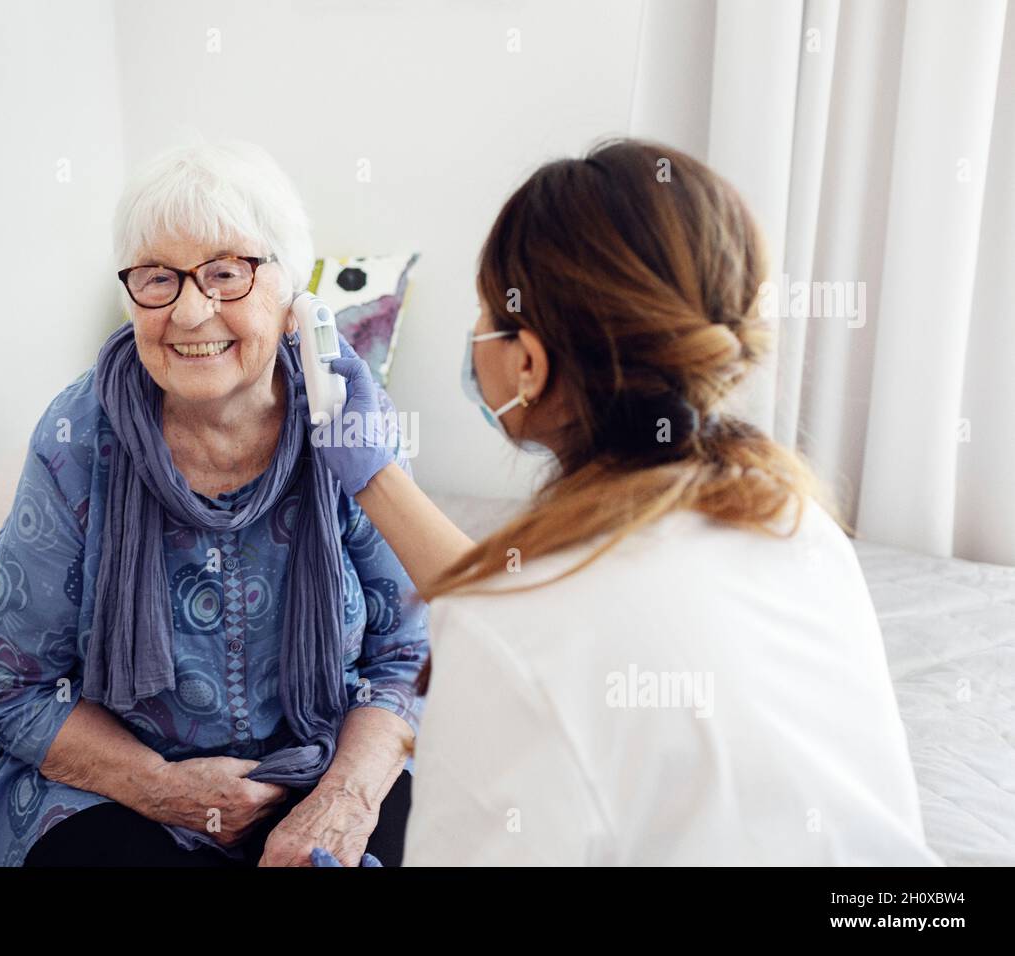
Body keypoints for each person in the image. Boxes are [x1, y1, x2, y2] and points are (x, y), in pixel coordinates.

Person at [304, 139, 940, 865]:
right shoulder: (795, 521)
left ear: (530, 363)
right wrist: (379, 477)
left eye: (487, 309)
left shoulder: (512, 631)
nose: (476, 332)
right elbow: (551, 618)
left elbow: (531, 635)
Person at [0, 142, 426, 867]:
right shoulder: (79, 434)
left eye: (228, 273)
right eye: (158, 278)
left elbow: (405, 656)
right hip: (122, 786)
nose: (191, 311)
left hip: (322, 759)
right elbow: (15, 685)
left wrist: (343, 799)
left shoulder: (349, 417)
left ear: (291, 290)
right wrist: (164, 787)